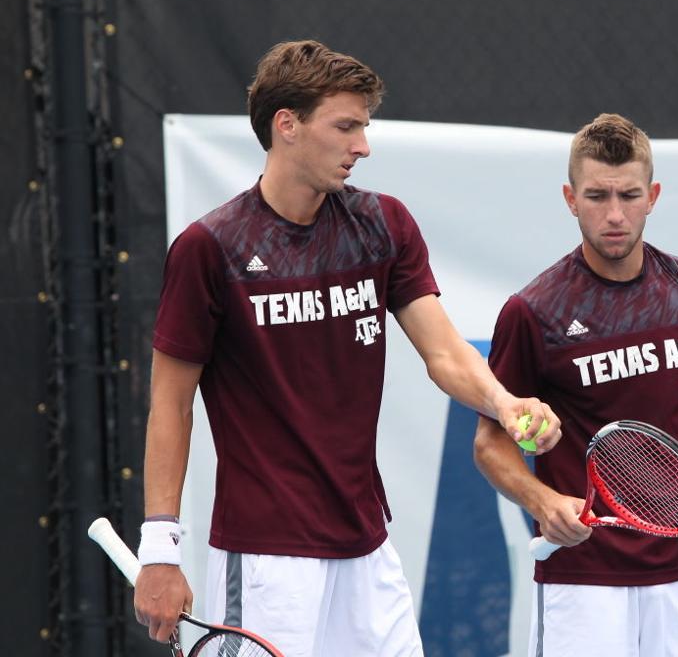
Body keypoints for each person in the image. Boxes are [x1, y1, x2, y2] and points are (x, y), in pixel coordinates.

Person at [134, 40, 561, 657]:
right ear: (288, 126)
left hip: (367, 544)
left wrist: (504, 400)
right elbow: (170, 405)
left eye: (364, 126)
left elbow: (442, 351)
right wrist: (159, 551)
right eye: (346, 126)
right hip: (266, 557)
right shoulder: (210, 248)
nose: (363, 145)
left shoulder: (382, 225)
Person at [473, 114, 678, 656]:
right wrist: (541, 501)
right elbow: (490, 442)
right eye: (596, 196)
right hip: (581, 579)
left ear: (653, 195)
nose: (614, 215)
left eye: (629, 195)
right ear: (569, 198)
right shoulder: (533, 311)